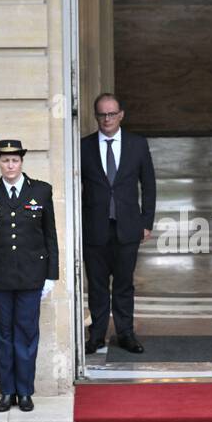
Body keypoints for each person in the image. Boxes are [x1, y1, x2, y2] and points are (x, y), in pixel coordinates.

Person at [0, 138, 59, 412]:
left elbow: (50, 236)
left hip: (31, 275)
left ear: (22, 162)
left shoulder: (41, 191)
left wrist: (51, 275)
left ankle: (25, 391)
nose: (10, 165)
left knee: (27, 334)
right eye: (5, 160)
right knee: (3, 336)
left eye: (15, 160)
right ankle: (7, 391)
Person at [80, 93, 156, 355]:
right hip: (94, 228)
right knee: (98, 285)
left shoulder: (137, 144)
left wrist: (147, 221)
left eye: (112, 113)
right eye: (102, 114)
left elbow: (149, 185)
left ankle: (125, 334)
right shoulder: (84, 147)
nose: (107, 119)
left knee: (124, 284)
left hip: (128, 226)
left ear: (121, 114)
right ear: (96, 116)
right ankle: (97, 335)